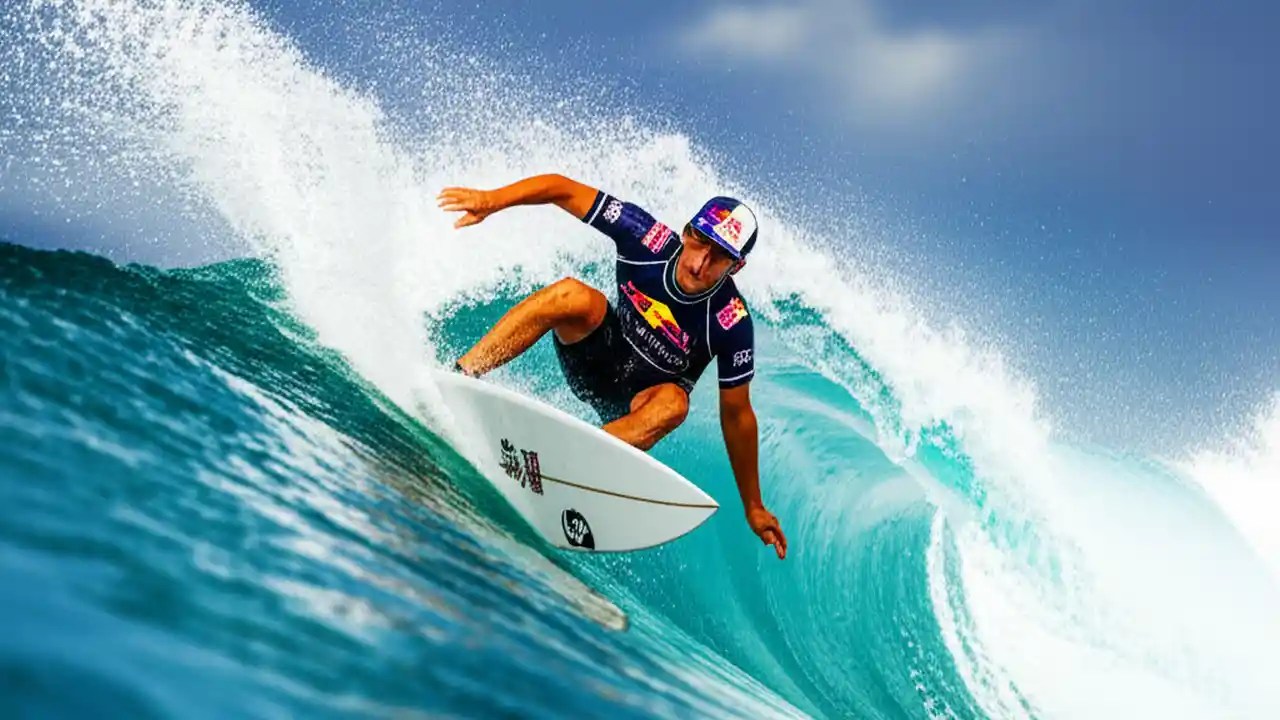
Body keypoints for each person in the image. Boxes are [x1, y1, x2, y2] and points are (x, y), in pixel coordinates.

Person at [438, 174, 787, 560]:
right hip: (594, 360)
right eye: (700, 241)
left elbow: (737, 416)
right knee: (572, 294)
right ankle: (460, 375)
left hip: (637, 408)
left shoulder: (731, 322)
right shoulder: (645, 239)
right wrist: (492, 199)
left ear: (735, 267)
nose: (700, 262)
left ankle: (573, 465)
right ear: (687, 231)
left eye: (718, 255)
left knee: (676, 403)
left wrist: (753, 506)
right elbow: (561, 188)